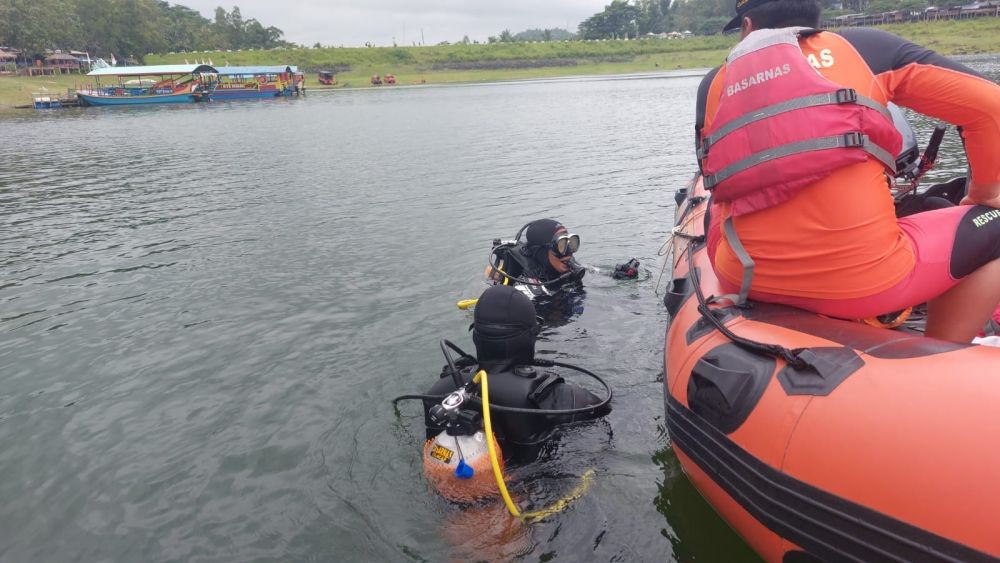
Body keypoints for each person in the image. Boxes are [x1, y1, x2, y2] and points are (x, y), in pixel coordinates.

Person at [695, 0, 1000, 343]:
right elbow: (991, 108)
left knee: (713, 205)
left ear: (747, 25)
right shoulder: (864, 48)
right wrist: (984, 196)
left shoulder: (713, 84)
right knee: (994, 225)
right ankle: (942, 352)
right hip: (866, 284)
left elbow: (717, 184)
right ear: (816, 16)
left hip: (742, 278)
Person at [423, 285, 611, 459]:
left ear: (476, 335)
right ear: (530, 335)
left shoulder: (442, 391)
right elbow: (605, 411)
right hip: (531, 491)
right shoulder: (558, 398)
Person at [486, 219, 587, 300]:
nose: (569, 252)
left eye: (570, 243)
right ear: (541, 252)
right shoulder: (521, 287)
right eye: (561, 245)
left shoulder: (573, 270)